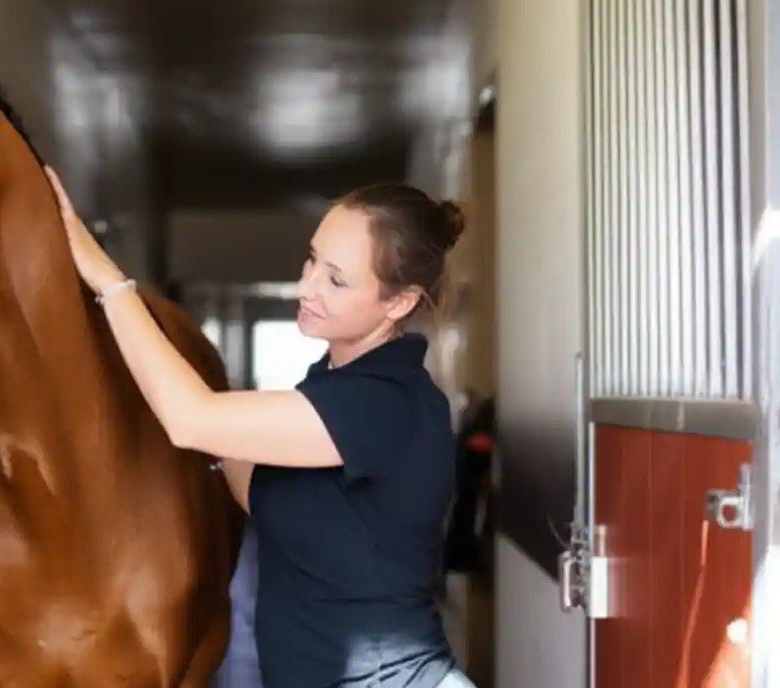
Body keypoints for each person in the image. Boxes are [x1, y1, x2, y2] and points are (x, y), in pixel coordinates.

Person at [44, 167, 476, 688]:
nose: (305, 286)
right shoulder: (331, 387)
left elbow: (190, 419)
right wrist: (214, 431)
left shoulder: (383, 403)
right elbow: (264, 493)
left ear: (399, 302)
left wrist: (109, 283)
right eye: (312, 259)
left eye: (336, 280)